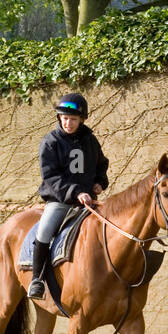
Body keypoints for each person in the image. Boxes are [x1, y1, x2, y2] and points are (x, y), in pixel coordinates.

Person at [29, 93, 109, 300]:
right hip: (60, 201)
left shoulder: (90, 141)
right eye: (64, 118)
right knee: (45, 230)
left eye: (73, 119)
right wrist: (75, 192)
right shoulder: (51, 142)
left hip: (89, 202)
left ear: (82, 119)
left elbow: (101, 163)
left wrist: (100, 182)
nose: (68, 122)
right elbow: (50, 176)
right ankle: (37, 279)